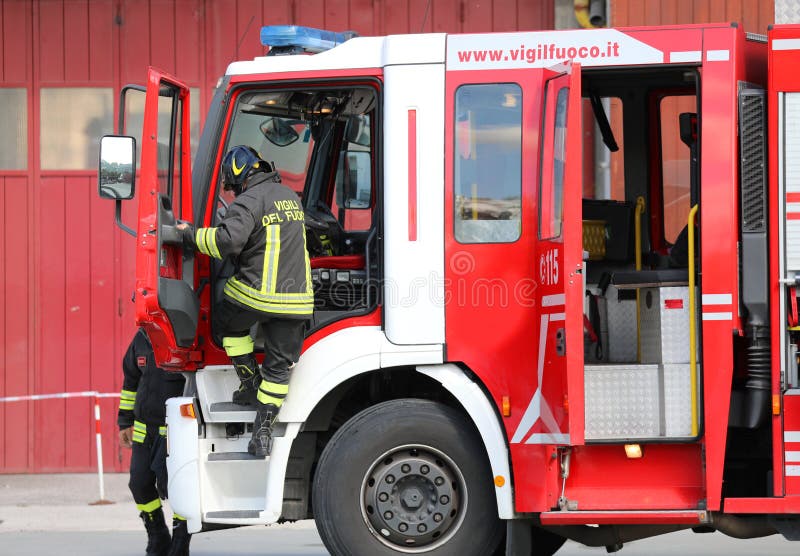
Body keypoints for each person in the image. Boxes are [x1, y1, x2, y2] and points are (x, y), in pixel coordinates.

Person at [177, 145, 313, 457]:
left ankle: (249, 381)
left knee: (226, 321)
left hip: (257, 296)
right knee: (278, 371)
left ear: (240, 178)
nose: (234, 192)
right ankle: (263, 431)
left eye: (233, 186)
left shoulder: (249, 201)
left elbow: (227, 241)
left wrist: (189, 235)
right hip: (298, 302)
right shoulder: (290, 197)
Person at [118, 328, 191, 556]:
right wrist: (124, 422)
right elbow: (131, 381)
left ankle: (180, 541)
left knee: (178, 490)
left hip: (173, 433)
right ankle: (157, 534)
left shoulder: (183, 337)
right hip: (142, 432)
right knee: (139, 484)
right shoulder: (141, 338)